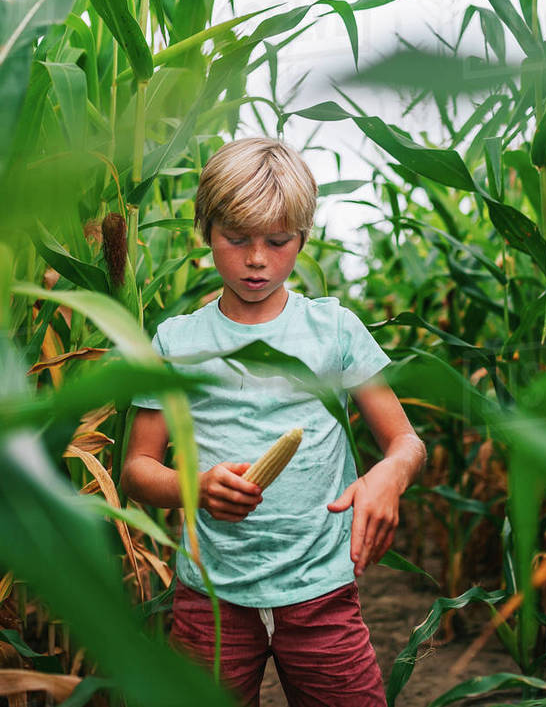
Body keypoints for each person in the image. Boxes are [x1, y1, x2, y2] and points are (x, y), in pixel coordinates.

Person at [121, 137, 426, 707]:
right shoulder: (176, 341)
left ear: (302, 239)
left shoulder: (333, 332)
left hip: (319, 592)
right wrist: (195, 487)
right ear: (206, 232)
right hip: (211, 597)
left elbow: (404, 441)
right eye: (236, 239)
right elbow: (137, 470)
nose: (257, 258)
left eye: (278, 241)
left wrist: (392, 474)